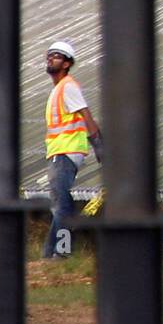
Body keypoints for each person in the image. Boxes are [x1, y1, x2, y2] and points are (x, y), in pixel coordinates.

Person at [42, 40, 102, 259]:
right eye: (49, 55)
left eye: (57, 56)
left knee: (62, 205)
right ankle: (50, 255)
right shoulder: (58, 89)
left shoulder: (68, 86)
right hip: (60, 152)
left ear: (67, 63)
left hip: (66, 153)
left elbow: (86, 115)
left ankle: (61, 252)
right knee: (59, 204)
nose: (51, 59)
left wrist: (98, 144)